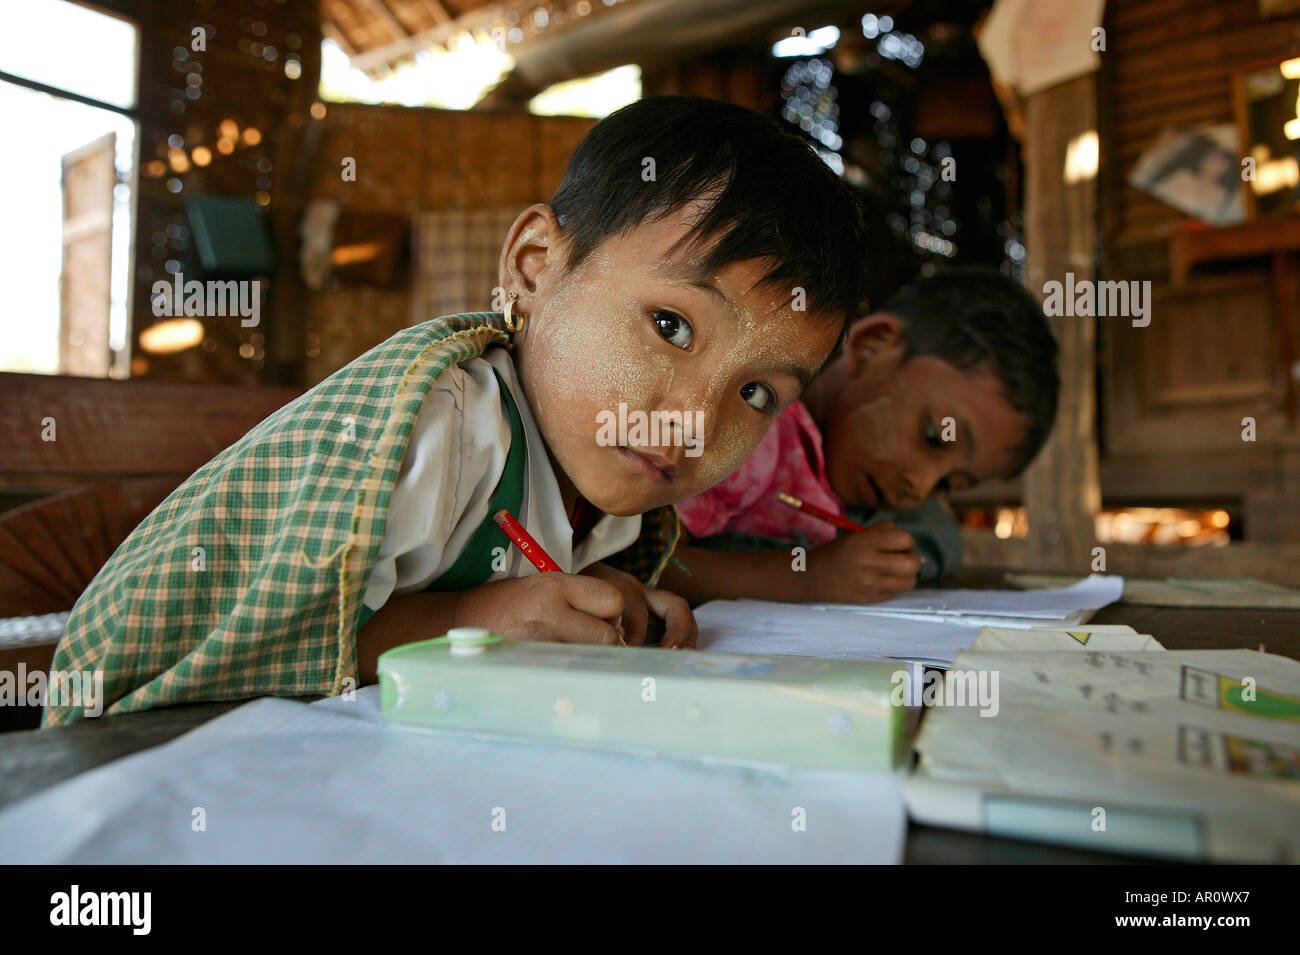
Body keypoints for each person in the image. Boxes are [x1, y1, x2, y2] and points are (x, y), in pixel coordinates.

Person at [43, 96, 869, 725]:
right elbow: (264, 646)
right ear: (536, 267)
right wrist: (481, 620)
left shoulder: (601, 488)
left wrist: (597, 599)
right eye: (671, 325)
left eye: (757, 393)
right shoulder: (442, 425)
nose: (696, 418)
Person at [661, 266, 1059, 606]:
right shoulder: (756, 434)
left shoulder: (853, 482)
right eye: (933, 437)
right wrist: (808, 578)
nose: (919, 486)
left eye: (950, 483)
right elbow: (649, 563)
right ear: (872, 347)